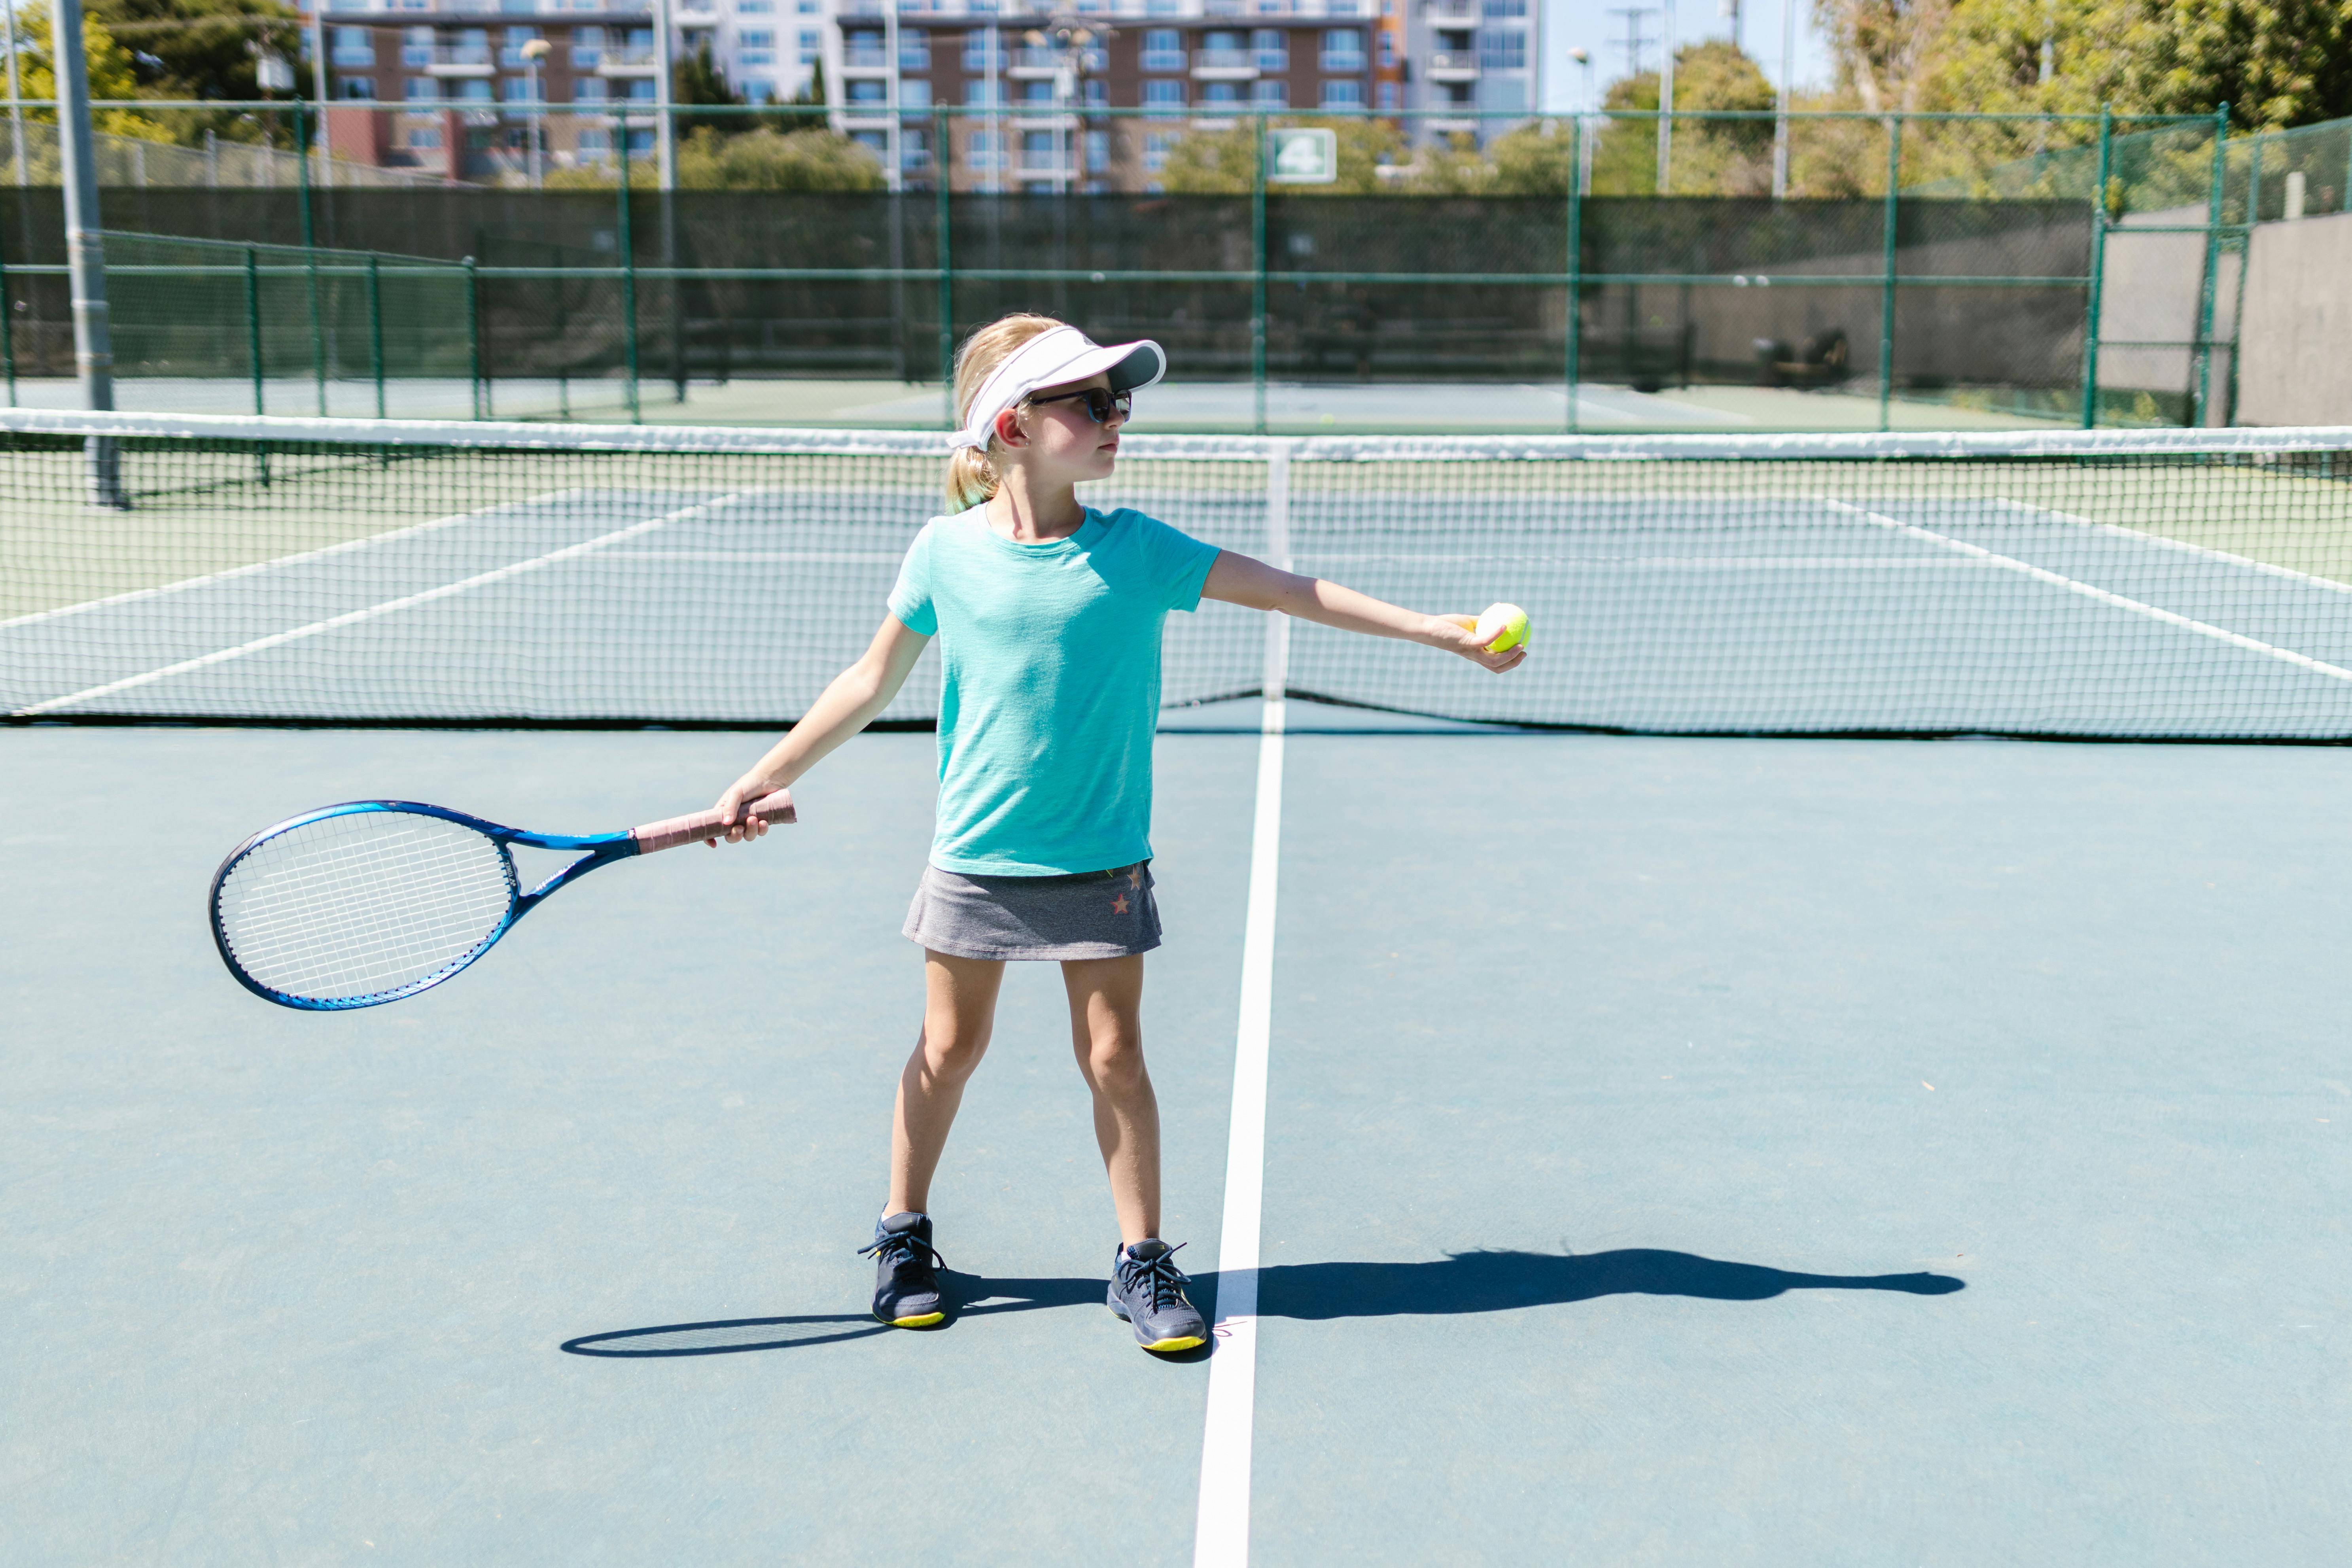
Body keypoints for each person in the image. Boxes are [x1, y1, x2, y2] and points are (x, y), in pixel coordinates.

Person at [706, 313, 1526, 1354]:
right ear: (1012, 425)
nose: (1115, 419)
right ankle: (903, 1235)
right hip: (976, 858)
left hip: (1099, 858)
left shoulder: (1138, 551)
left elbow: (1288, 592)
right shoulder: (945, 552)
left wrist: (1438, 632)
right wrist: (766, 774)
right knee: (948, 1049)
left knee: (1115, 1057)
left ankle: (1141, 1259)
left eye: (1119, 401)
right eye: (1090, 402)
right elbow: (869, 681)